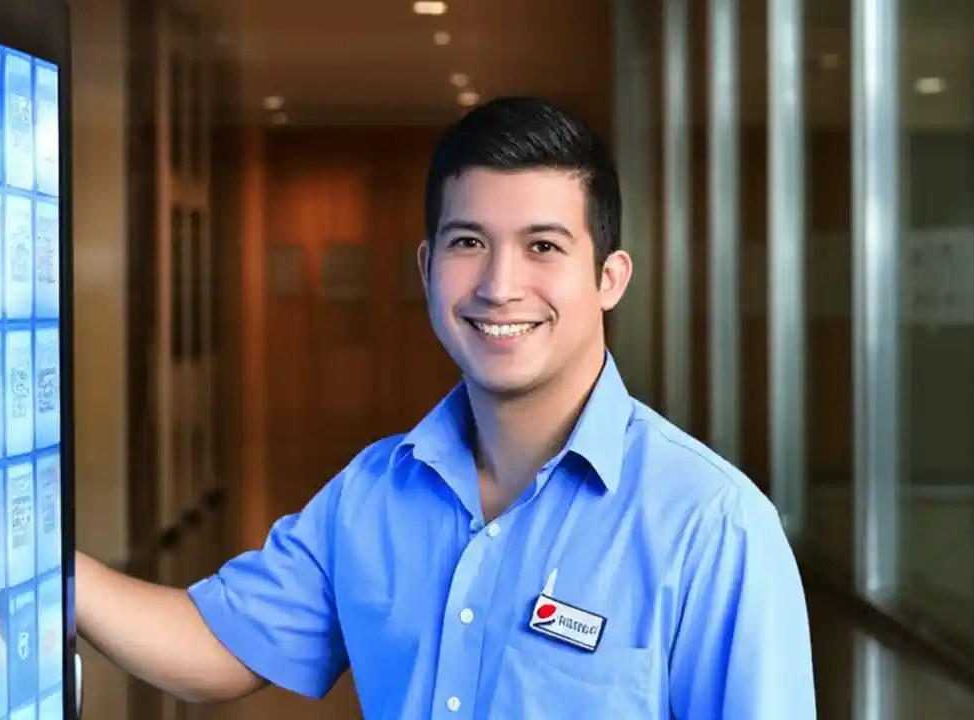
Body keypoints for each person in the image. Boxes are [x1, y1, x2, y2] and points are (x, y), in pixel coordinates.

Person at [76, 96, 816, 718]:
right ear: (429, 269)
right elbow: (219, 647)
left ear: (609, 278)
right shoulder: (375, 493)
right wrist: (41, 570)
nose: (500, 284)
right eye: (469, 241)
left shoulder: (711, 527)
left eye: (544, 246)